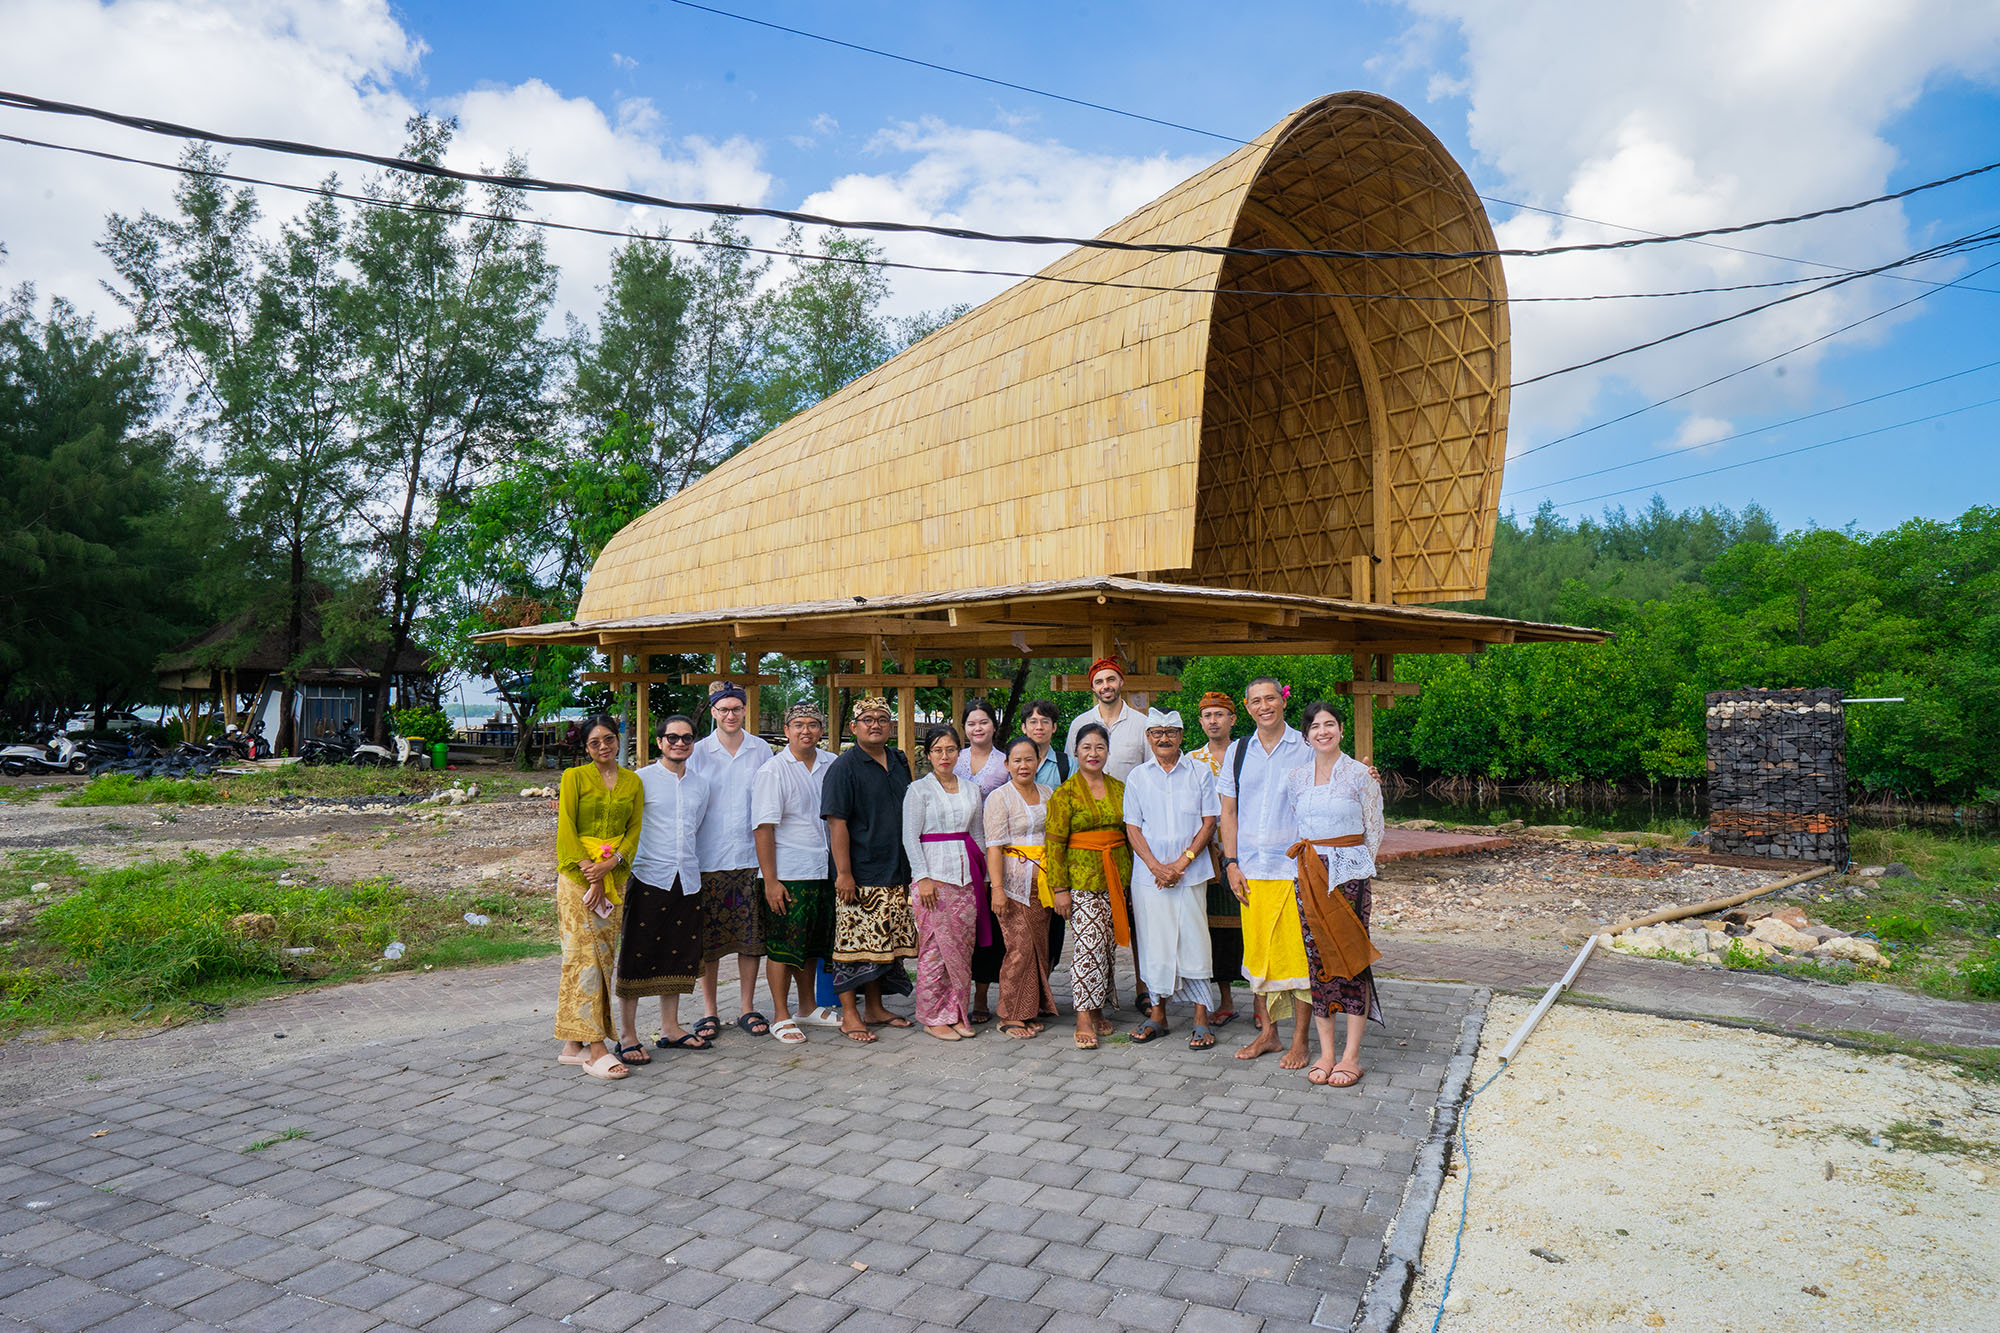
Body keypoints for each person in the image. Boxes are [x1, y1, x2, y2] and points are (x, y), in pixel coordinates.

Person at [1286, 702, 1386, 1088]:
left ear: (1342, 730)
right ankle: (1326, 1053)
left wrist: (1354, 869)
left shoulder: (1361, 775)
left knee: (1352, 956)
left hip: (1350, 875)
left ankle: (1351, 1055)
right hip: (1309, 873)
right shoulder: (1295, 778)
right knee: (1318, 960)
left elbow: (1374, 828)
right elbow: (1299, 822)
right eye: (1315, 726)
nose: (1322, 731)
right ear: (1306, 734)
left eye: (1330, 724)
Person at [1218, 677, 1314, 1069]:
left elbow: (1331, 788)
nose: (1264, 706)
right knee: (1259, 955)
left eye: (1270, 698)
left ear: (1283, 701)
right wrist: (1231, 863)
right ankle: (1269, 1034)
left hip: (1295, 871)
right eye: (1256, 701)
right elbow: (1228, 811)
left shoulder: (1307, 748)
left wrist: (1366, 776)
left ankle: (1301, 1041)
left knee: (1297, 958)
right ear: (1247, 706)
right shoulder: (1239, 751)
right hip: (1251, 871)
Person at [820, 696, 919, 1042]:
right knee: (853, 946)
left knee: (882, 947)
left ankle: (875, 1009)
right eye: (867, 719)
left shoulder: (898, 760)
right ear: (854, 727)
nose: (875, 724)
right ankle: (850, 1015)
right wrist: (844, 873)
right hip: (859, 872)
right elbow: (837, 823)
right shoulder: (844, 767)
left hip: (895, 868)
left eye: (882, 718)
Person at [1122, 709, 1222, 1050]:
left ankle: (1200, 1019)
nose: (1164, 738)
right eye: (1157, 732)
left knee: (1194, 941)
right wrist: (1155, 867)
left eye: (1171, 732)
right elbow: (1132, 827)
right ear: (1148, 737)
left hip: (1190, 874)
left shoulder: (1200, 771)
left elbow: (1209, 822)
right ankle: (1158, 1016)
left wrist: (1181, 863)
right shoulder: (1137, 776)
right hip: (1149, 877)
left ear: (1181, 736)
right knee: (1154, 944)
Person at [616, 714, 711, 1061]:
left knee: (678, 954)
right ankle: (627, 1034)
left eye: (687, 738)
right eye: (672, 737)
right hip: (647, 878)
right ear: (659, 742)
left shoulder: (701, 785)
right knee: (636, 957)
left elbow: (696, 830)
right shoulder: (639, 781)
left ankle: (670, 1028)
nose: (680, 743)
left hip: (687, 880)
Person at [554, 715, 643, 1080]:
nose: (603, 746)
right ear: (586, 747)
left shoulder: (633, 782)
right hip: (577, 879)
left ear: (618, 740)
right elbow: (567, 828)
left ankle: (570, 1045)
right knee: (582, 959)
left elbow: (634, 830)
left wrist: (610, 866)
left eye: (608, 739)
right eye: (595, 742)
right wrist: (589, 871)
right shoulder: (574, 778)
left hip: (614, 880)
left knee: (602, 960)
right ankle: (596, 1048)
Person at [686, 684, 773, 1039]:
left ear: (745, 710)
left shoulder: (761, 749)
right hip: (709, 857)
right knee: (710, 940)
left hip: (752, 857)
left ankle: (747, 1007)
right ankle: (709, 1011)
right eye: (723, 710)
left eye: (736, 708)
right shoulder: (697, 752)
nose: (731, 715)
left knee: (750, 936)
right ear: (712, 712)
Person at [753, 703, 840, 1045]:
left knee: (811, 944)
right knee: (783, 946)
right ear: (787, 730)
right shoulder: (773, 771)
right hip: (788, 871)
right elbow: (763, 828)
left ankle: (808, 1006)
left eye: (813, 724)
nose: (807, 730)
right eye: (799, 724)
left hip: (824, 869)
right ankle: (780, 1014)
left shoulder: (832, 764)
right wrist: (771, 880)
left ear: (822, 730)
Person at [1043, 723, 1132, 1050]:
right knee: (1088, 946)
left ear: (1108, 752)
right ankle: (1082, 1016)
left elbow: (1131, 835)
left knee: (1106, 947)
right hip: (1080, 882)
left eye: (1099, 747)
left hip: (1116, 878)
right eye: (1086, 748)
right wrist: (1059, 888)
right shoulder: (1064, 794)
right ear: (1076, 752)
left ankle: (1097, 1011)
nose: (1093, 754)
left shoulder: (1120, 788)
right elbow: (1054, 845)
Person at [904, 725, 986, 1041]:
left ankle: (957, 1013)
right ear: (928, 755)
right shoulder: (918, 790)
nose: (944, 756)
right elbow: (909, 837)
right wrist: (922, 878)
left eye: (950, 749)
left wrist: (986, 877)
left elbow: (977, 834)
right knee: (935, 950)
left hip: (967, 879)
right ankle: (931, 1015)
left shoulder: (971, 789)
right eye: (937, 750)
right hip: (933, 880)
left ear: (959, 752)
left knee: (962, 951)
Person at [983, 735, 1055, 1040]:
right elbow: (994, 847)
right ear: (1007, 764)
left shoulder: (1049, 792)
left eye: (1029, 759)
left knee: (1039, 947)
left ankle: (1029, 1010)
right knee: (1019, 947)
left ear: (1038, 762)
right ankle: (1009, 1014)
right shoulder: (999, 797)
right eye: (1017, 760)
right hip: (1013, 882)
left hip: (1045, 882)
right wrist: (997, 888)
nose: (1023, 765)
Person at [1190, 691, 1244, 1028]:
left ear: (1232, 719)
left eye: (1219, 714)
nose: (1213, 720)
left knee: (1251, 928)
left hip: (1246, 853)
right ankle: (1224, 999)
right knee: (1214, 931)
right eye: (1207, 715)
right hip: (1206, 855)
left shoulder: (1248, 753)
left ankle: (1262, 1002)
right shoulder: (1192, 760)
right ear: (1200, 721)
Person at [954, 698, 1008, 1024]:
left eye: (984, 722)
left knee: (987, 927)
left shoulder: (1005, 763)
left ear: (993, 726)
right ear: (964, 728)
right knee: (959, 925)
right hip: (952, 851)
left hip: (991, 851)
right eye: (972, 723)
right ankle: (954, 994)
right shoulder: (952, 758)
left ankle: (982, 995)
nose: (978, 728)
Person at [1022, 698, 1070, 994]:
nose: (1038, 727)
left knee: (1053, 928)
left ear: (1054, 727)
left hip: (1053, 860)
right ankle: (1025, 989)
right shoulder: (1011, 759)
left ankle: (1043, 987)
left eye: (1044, 722)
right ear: (1024, 727)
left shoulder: (1067, 765)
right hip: (1019, 860)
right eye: (1033, 722)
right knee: (1021, 930)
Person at [1063, 657, 1149, 781]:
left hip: (1129, 799)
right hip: (1087, 799)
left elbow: (1151, 769)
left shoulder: (1142, 723)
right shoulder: (1079, 724)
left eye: (1111, 680)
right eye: (1099, 682)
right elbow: (1071, 769)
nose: (1106, 686)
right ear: (1093, 688)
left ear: (1121, 681)